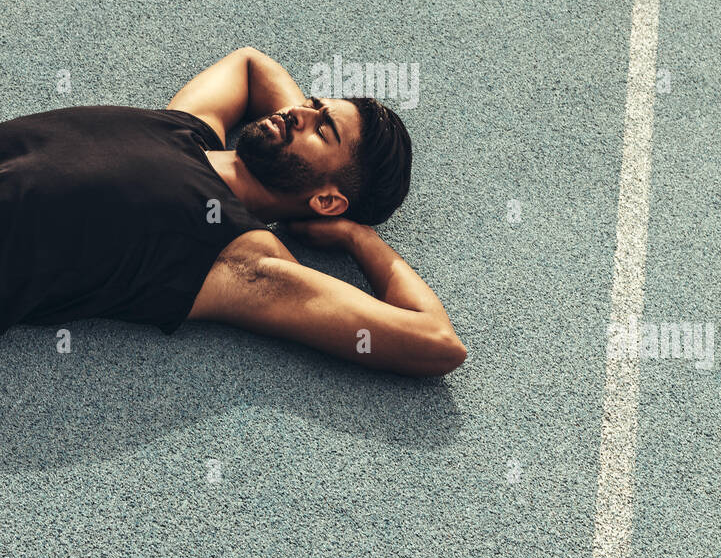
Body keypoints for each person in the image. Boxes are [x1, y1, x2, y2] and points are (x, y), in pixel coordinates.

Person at [0, 48, 466, 377]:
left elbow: (437, 341)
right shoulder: (188, 127)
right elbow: (251, 64)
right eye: (311, 105)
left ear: (327, 200)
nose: (298, 113)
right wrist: (301, 124)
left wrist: (356, 237)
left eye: (322, 130)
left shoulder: (240, 258)